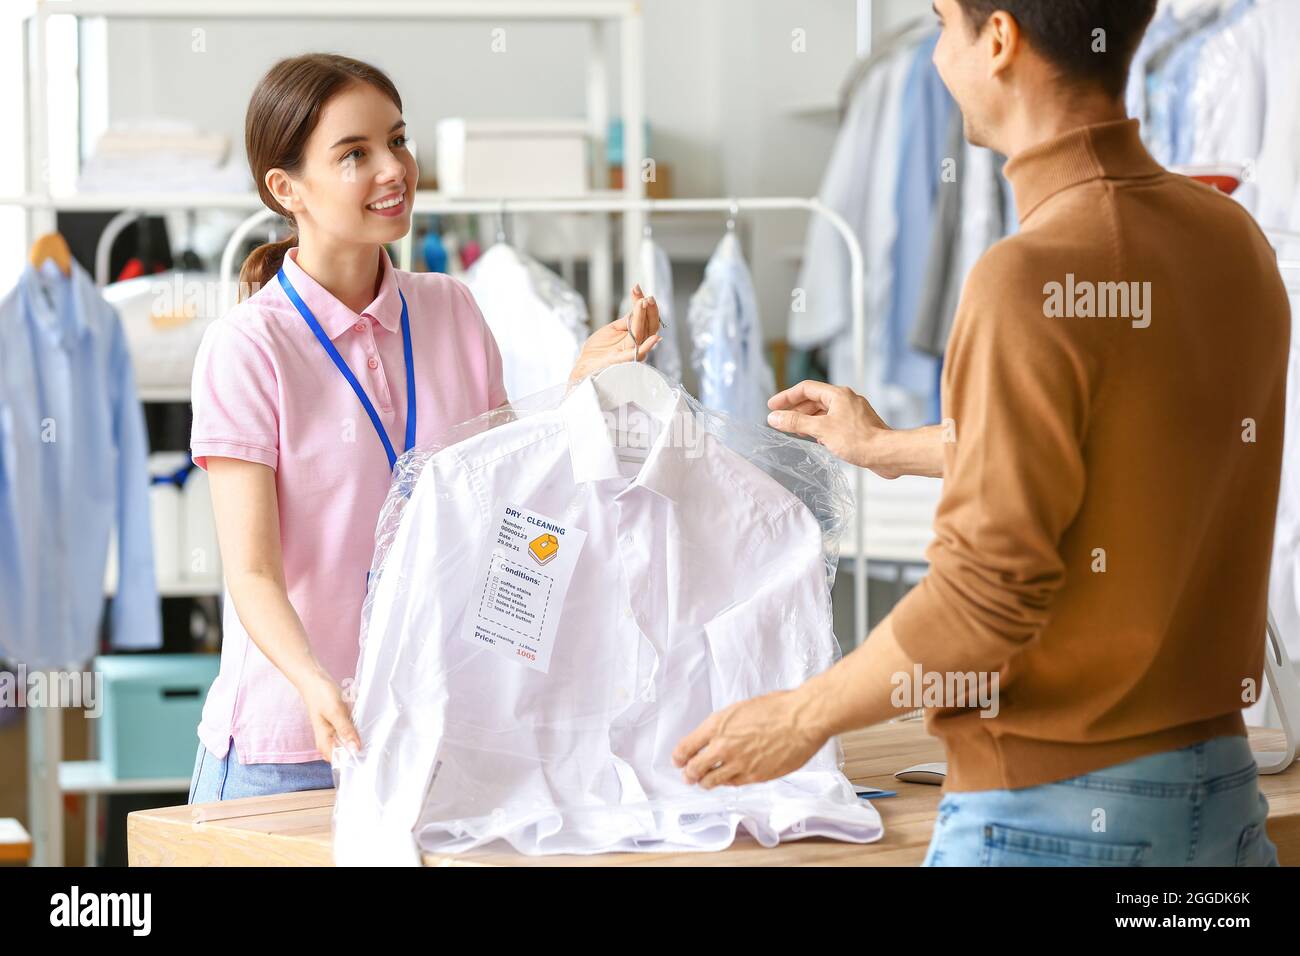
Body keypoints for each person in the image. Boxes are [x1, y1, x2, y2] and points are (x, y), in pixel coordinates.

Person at [673, 0, 1289, 866]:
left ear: (998, 39)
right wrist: (887, 448)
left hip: (1054, 820)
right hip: (1223, 801)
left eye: (939, 24)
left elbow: (984, 600)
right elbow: (1126, 455)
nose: (934, 53)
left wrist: (799, 717)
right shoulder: (1233, 242)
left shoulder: (1029, 277)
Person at [188, 54, 660, 804]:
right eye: (355, 154)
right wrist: (315, 684)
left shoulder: (451, 310)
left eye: (398, 141)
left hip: (431, 730)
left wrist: (581, 389)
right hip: (291, 744)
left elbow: (504, 498)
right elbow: (251, 573)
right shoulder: (248, 347)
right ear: (287, 189)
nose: (393, 169)